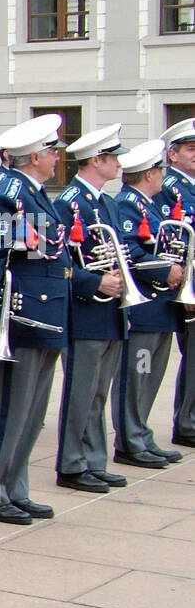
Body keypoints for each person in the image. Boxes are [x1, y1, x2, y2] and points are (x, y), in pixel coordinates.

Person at [0, 114, 71, 525]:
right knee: (11, 409)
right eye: (52, 151)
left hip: (43, 313)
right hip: (21, 316)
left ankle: (15, 487)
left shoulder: (33, 192)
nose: (56, 158)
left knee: (31, 411)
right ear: (35, 156)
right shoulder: (9, 193)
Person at [53, 125, 130, 493]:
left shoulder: (107, 202)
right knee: (81, 390)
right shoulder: (68, 202)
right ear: (96, 161)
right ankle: (71, 463)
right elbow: (59, 262)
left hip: (110, 310)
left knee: (99, 390)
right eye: (112, 157)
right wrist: (95, 282)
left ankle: (93, 461)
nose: (118, 164)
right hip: (86, 310)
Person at [111, 139, 185, 469]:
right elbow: (130, 254)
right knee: (136, 377)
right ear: (150, 175)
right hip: (144, 308)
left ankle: (141, 434)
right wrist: (166, 269)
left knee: (150, 377)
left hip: (161, 306)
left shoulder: (148, 205)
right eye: (159, 171)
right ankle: (130, 441)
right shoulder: (129, 204)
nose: (162, 178)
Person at [157, 119, 195, 447]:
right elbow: (171, 239)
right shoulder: (173, 188)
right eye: (191, 149)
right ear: (173, 154)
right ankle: (187, 423)